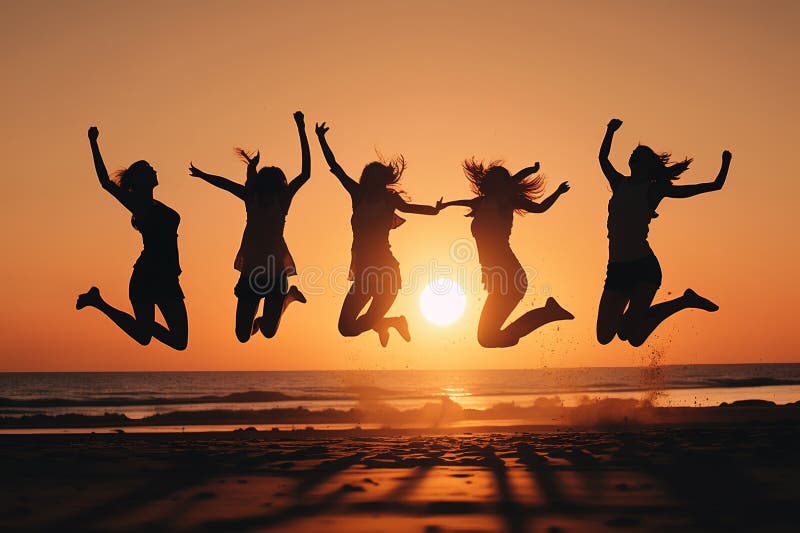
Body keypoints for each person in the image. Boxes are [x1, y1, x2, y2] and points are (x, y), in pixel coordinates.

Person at [597, 118, 732, 346]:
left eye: (637, 156)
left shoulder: (654, 189)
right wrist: (610, 131)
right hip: (617, 268)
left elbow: (702, 188)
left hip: (643, 268)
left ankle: (683, 301)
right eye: (632, 153)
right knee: (606, 336)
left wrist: (723, 170)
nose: (632, 156)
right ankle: (682, 301)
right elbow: (603, 158)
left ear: (646, 165)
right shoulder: (619, 182)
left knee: (633, 337)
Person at [316, 121, 441, 347]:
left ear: (382, 180)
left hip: (386, 272)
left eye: (377, 177)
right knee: (346, 328)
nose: (373, 181)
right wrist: (321, 138)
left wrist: (435, 210)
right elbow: (335, 167)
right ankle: (390, 322)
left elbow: (411, 209)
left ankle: (387, 323)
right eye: (370, 176)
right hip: (364, 272)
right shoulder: (358, 194)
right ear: (366, 178)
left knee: (361, 322)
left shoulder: (389, 199)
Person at [189, 111, 310, 342]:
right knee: (243, 335)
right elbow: (225, 184)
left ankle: (288, 298)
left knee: (268, 332)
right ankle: (276, 306)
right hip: (252, 270)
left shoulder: (281, 199)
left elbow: (305, 174)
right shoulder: (251, 198)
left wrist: (301, 128)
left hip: (275, 272)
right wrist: (204, 175)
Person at [439, 159, 573, 347]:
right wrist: (445, 205)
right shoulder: (482, 203)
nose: (489, 183)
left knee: (487, 338)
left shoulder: (506, 201)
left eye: (495, 180)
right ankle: (547, 313)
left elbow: (540, 207)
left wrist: (554, 190)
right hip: (497, 279)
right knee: (486, 338)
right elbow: (465, 202)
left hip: (509, 276)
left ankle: (546, 314)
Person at [76, 127, 188, 350]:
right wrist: (93, 142)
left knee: (177, 341)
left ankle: (97, 301)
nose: (154, 169)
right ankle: (98, 302)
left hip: (167, 277)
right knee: (145, 337)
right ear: (139, 180)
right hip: (148, 276)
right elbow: (105, 183)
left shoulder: (156, 204)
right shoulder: (139, 204)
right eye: (148, 168)